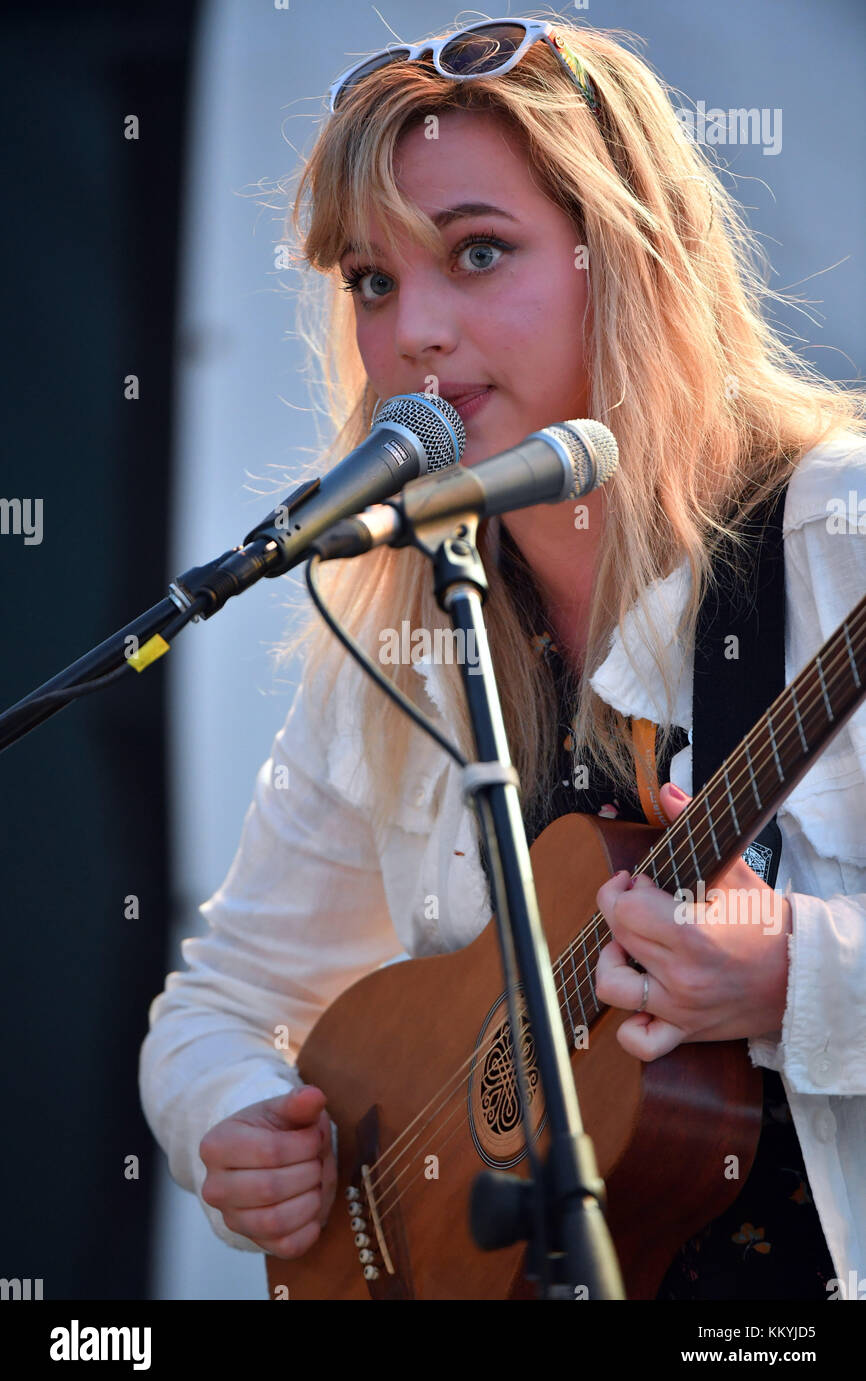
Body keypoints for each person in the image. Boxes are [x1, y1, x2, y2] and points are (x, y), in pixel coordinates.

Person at [139, 15, 866, 1299]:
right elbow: (222, 1001)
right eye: (369, 280)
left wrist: (801, 974)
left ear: (633, 257)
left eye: (477, 252)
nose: (411, 329)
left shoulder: (835, 536)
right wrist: (229, 1126)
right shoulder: (411, 633)